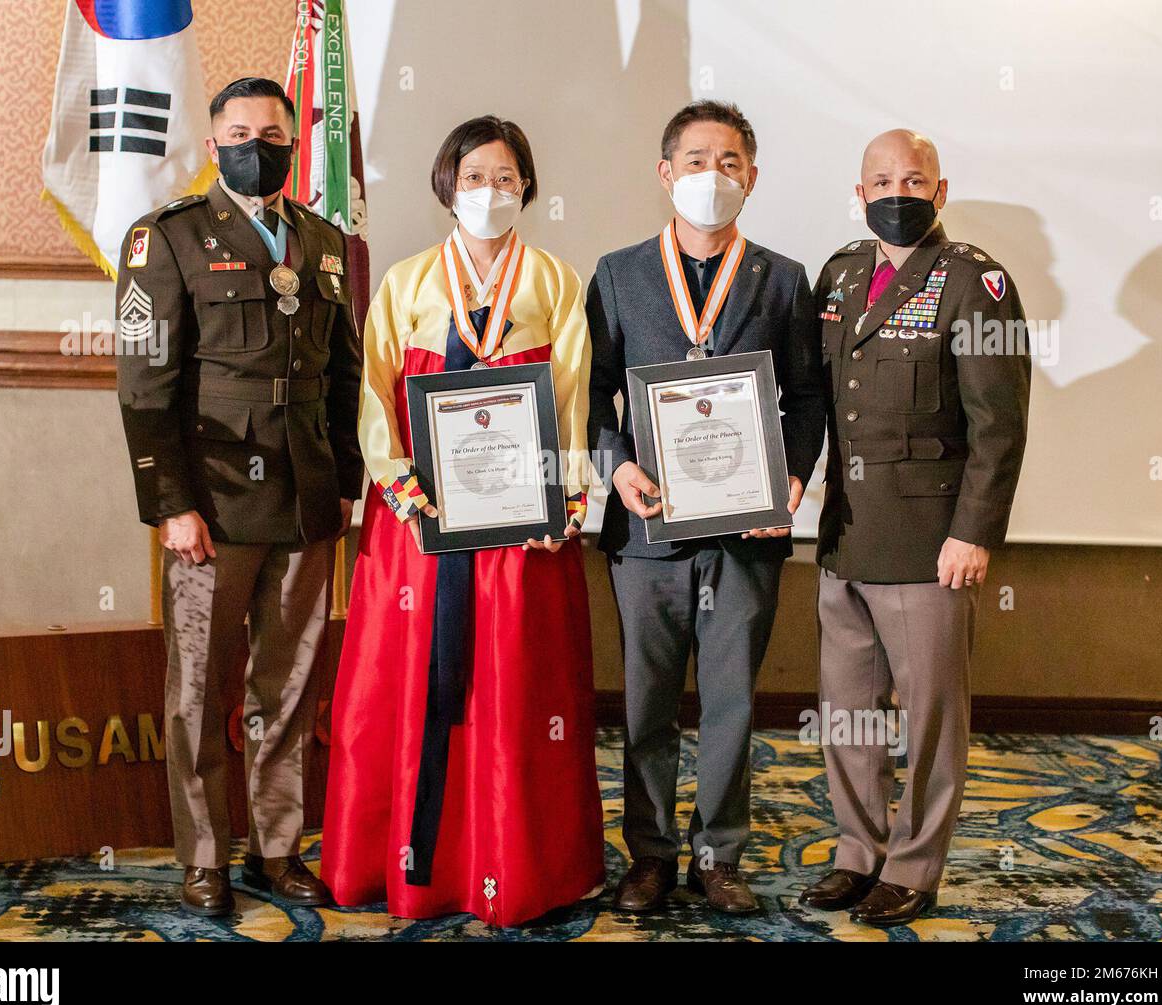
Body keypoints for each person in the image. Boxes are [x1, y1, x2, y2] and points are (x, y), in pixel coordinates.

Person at [319, 116, 605, 927]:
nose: (491, 191)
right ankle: (412, 866)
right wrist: (403, 490)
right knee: (407, 693)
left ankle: (517, 863)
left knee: (519, 697)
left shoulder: (554, 282)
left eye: (507, 177)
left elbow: (577, 400)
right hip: (420, 536)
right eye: (475, 176)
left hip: (524, 538)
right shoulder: (407, 284)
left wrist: (565, 498)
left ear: (528, 187)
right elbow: (370, 399)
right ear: (447, 184)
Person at [114, 77, 363, 917]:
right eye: (241, 130)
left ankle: (279, 846)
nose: (259, 143)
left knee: (289, 685)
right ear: (214, 141)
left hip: (305, 501)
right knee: (197, 688)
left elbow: (342, 376)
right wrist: (169, 502)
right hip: (212, 508)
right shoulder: (169, 238)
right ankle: (205, 856)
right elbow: (146, 385)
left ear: (294, 141)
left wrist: (349, 485)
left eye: (274, 131)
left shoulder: (324, 241)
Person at [587, 101, 825, 914]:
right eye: (695, 160)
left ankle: (719, 854)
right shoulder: (618, 273)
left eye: (729, 162)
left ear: (751, 177)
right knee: (646, 702)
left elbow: (807, 399)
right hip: (649, 531)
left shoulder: (785, 278)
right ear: (665, 173)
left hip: (747, 530)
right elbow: (592, 397)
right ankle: (649, 854)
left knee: (730, 700)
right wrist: (614, 468)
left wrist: (790, 481)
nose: (711, 176)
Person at [800, 129, 1031, 927]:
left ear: (941, 188)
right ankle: (858, 852)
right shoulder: (838, 276)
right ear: (857, 192)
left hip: (931, 545)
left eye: (914, 178)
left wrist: (975, 532)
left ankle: (914, 864)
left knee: (931, 718)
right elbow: (819, 404)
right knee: (849, 715)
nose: (896, 191)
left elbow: (998, 425)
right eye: (881, 179)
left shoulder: (976, 281)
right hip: (845, 535)